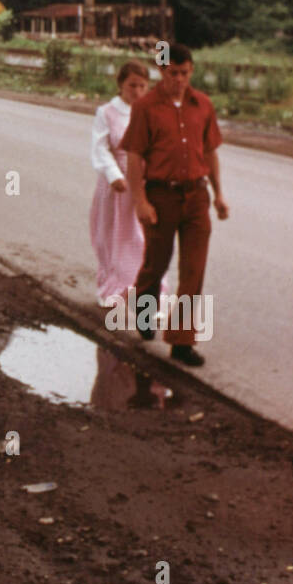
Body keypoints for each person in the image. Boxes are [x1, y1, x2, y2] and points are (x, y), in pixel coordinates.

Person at [121, 43, 229, 367]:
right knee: (156, 262)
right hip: (161, 196)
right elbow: (135, 155)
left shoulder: (203, 105)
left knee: (193, 271)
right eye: (172, 74)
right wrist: (139, 200)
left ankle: (182, 342)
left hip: (197, 197)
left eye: (184, 73)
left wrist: (219, 194)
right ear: (161, 71)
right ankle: (144, 308)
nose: (178, 80)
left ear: (191, 71)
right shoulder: (146, 107)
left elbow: (209, 151)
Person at [89, 60, 154, 308]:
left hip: (143, 184)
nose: (136, 91)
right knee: (110, 234)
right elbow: (101, 148)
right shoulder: (106, 112)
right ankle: (110, 287)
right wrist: (114, 174)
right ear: (120, 85)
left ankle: (141, 287)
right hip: (117, 183)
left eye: (142, 86)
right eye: (131, 85)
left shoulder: (149, 112)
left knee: (139, 237)